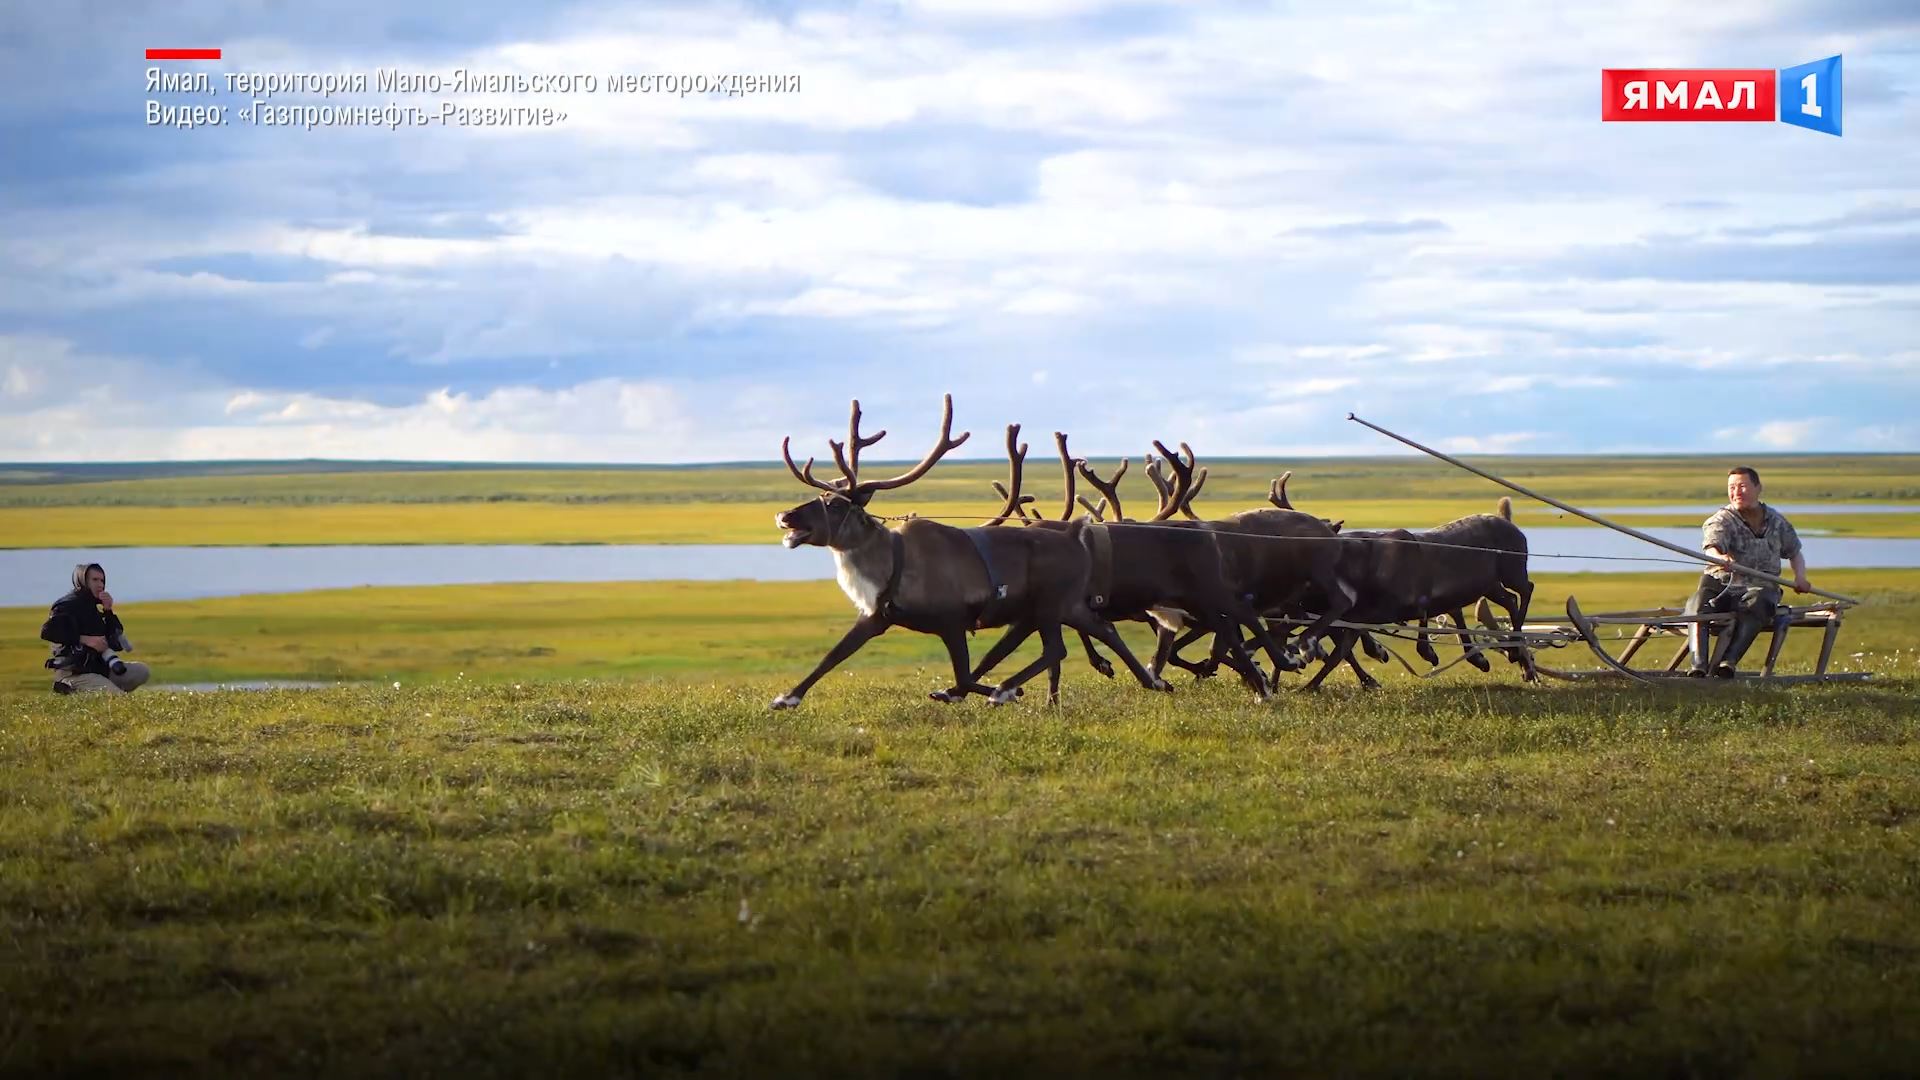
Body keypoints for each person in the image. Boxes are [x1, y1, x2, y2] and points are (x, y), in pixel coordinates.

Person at [1683, 467, 1812, 678]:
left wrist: (1800, 578)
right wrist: (1720, 557)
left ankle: (1728, 663)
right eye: (1732, 487)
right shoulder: (1722, 519)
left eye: (1742, 486)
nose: (1737, 492)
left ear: (1758, 488)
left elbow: (1794, 553)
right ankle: (1698, 666)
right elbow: (1711, 547)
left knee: (1758, 602)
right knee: (1697, 604)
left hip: (1760, 586)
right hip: (1722, 584)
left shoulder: (1777, 522)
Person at [40, 562, 151, 694]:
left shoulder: (94, 606)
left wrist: (108, 611)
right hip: (74, 672)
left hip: (100, 668)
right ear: (82, 581)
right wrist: (84, 639)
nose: (100, 585)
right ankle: (71, 687)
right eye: (95, 580)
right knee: (118, 700)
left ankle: (101, 688)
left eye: (102, 580)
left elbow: (116, 643)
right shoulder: (67, 605)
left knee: (142, 671)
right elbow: (47, 632)